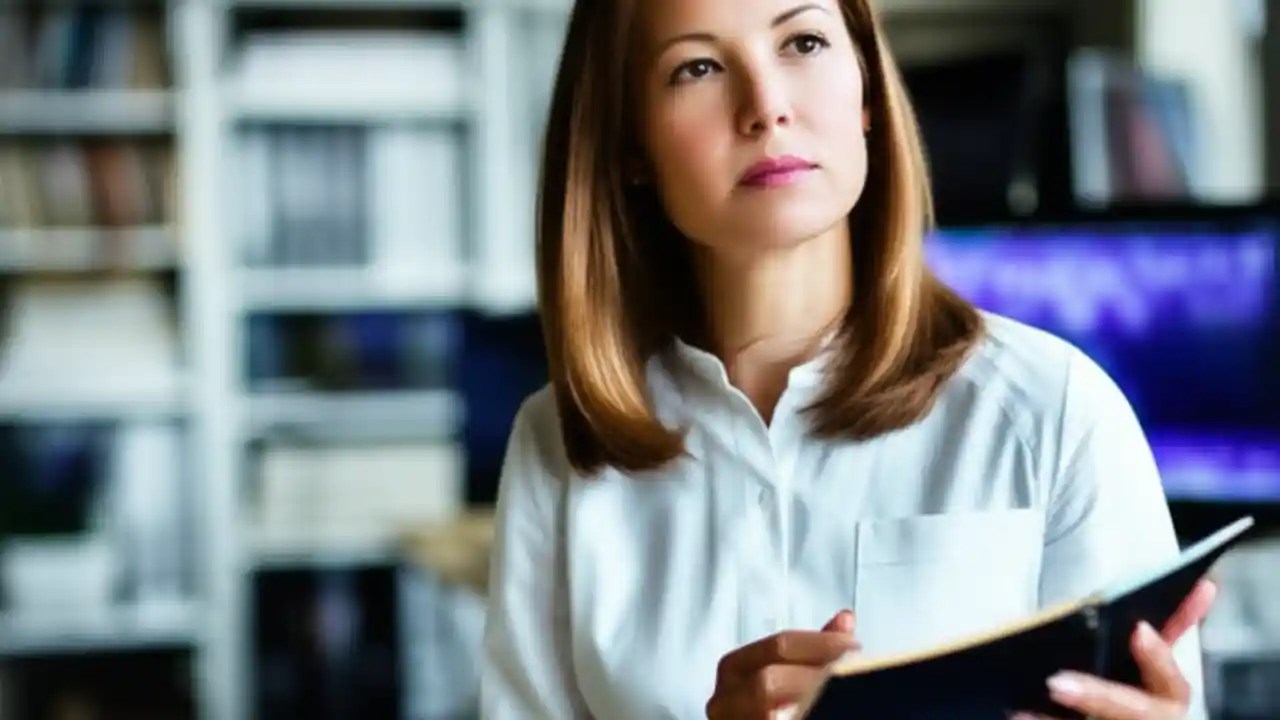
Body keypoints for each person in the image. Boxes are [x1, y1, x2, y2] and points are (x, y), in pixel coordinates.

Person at [480, 0, 1217, 717]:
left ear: (866, 86)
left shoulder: (1054, 410)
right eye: (697, 67)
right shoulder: (558, 445)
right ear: (630, 144)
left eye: (802, 43)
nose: (766, 107)